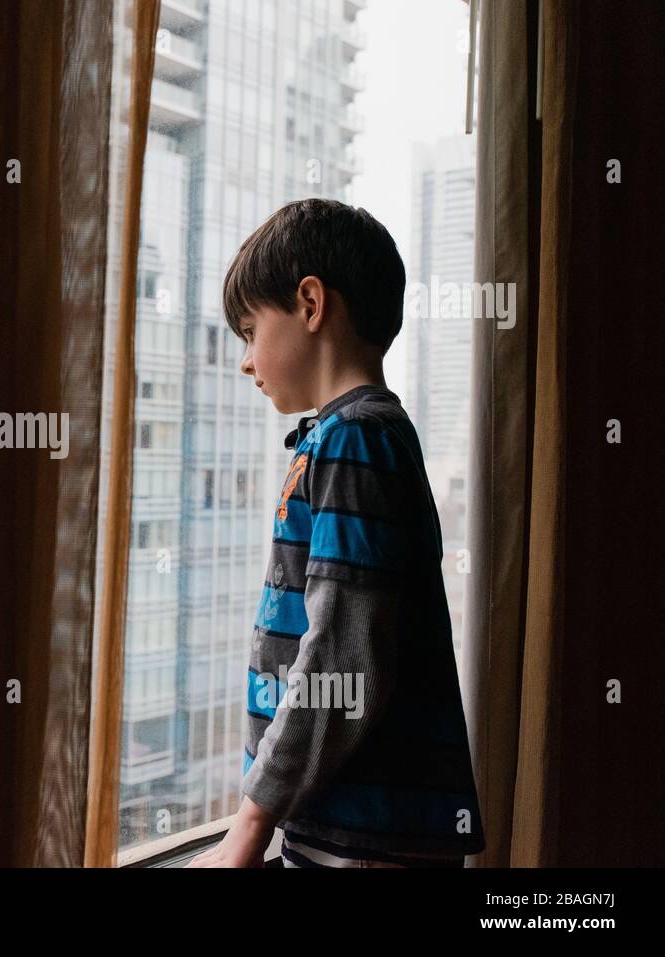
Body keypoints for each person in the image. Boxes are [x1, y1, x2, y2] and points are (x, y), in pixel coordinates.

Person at [186, 199, 485, 869]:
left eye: (249, 329)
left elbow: (343, 656)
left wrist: (250, 824)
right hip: (341, 822)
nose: (245, 359)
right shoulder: (346, 438)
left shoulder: (357, 440)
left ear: (311, 303)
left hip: (368, 834)